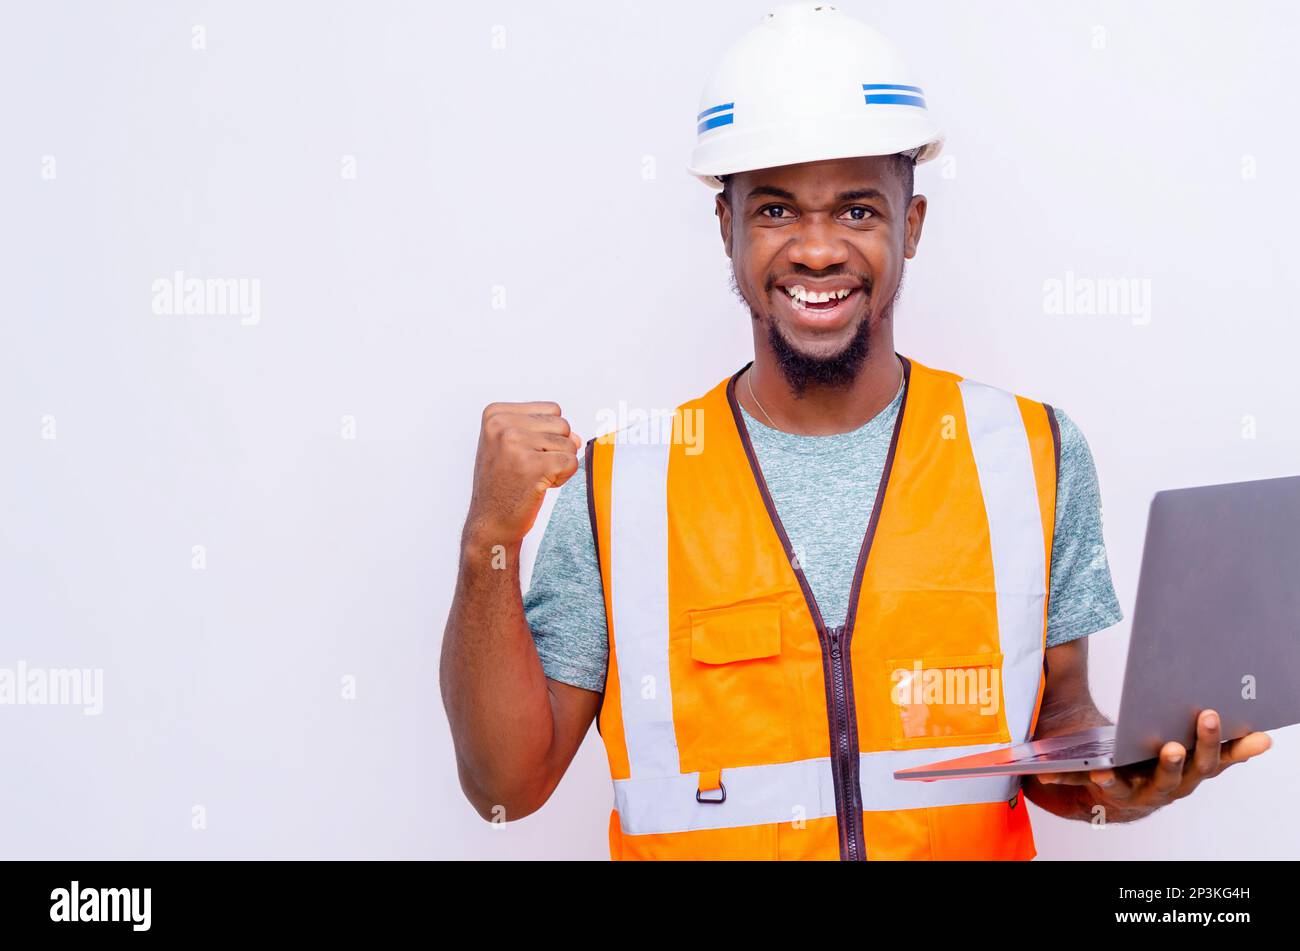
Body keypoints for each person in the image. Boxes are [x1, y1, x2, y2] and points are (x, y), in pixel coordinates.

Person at [440, 2, 1270, 860]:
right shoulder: (622, 487)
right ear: (725, 226)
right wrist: (487, 541)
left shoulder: (1032, 454)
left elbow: (1056, 733)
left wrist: (1121, 786)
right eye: (773, 211)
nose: (817, 249)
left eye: (858, 211)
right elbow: (506, 787)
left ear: (910, 225)